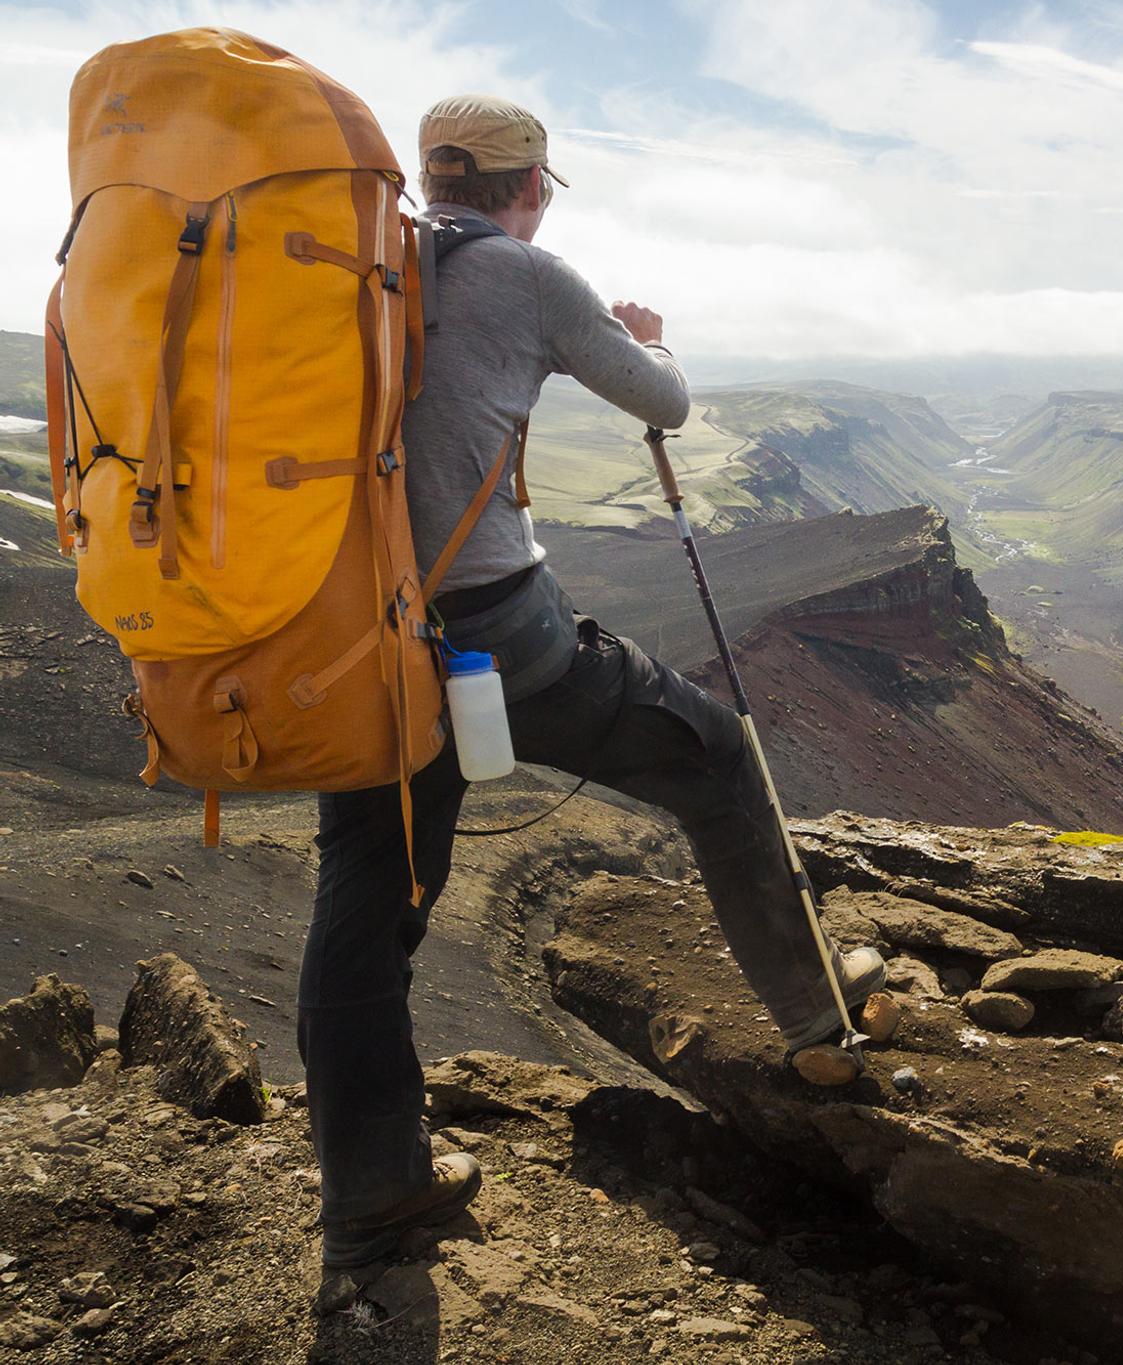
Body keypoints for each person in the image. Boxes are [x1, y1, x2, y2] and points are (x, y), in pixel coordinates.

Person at [298, 94, 885, 1270]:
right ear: (528, 186)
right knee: (715, 758)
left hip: (356, 643)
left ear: (428, 177)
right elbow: (662, 401)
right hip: (497, 635)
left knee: (368, 900)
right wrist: (647, 338)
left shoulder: (350, 264)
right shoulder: (524, 273)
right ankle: (816, 1018)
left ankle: (373, 1189)